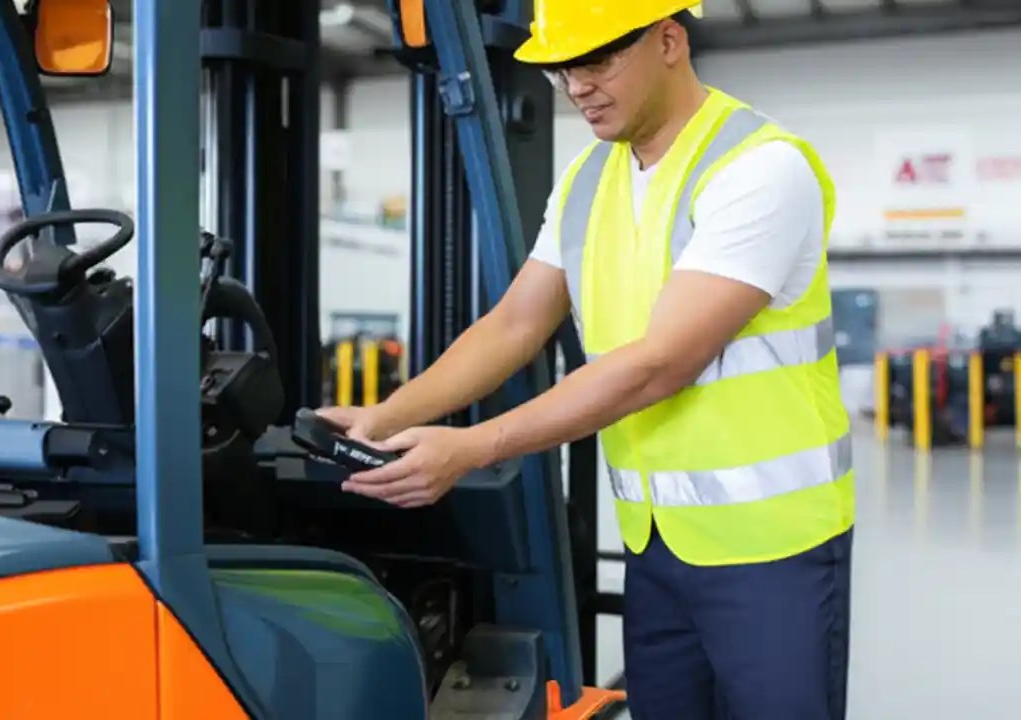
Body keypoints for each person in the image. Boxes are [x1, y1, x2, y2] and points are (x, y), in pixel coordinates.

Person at [319, 1, 854, 718]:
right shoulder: (587, 180)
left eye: (598, 59)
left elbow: (661, 362)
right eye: (564, 66)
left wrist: (471, 447)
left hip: (772, 547)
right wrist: (383, 419)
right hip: (656, 539)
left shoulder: (758, 169)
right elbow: (515, 323)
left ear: (669, 40)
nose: (578, 85)